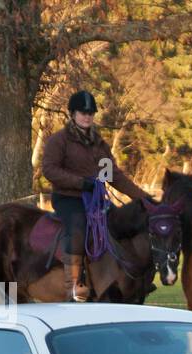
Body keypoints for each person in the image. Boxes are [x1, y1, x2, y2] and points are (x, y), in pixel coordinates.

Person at [41, 90, 152, 302]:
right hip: (68, 198)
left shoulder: (99, 145)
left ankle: (133, 278)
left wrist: (143, 197)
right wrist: (81, 183)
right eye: (83, 112)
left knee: (121, 224)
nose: (87, 116)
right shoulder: (60, 141)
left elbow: (113, 176)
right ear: (72, 113)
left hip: (96, 200)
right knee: (78, 227)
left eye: (91, 113)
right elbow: (50, 169)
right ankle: (73, 286)